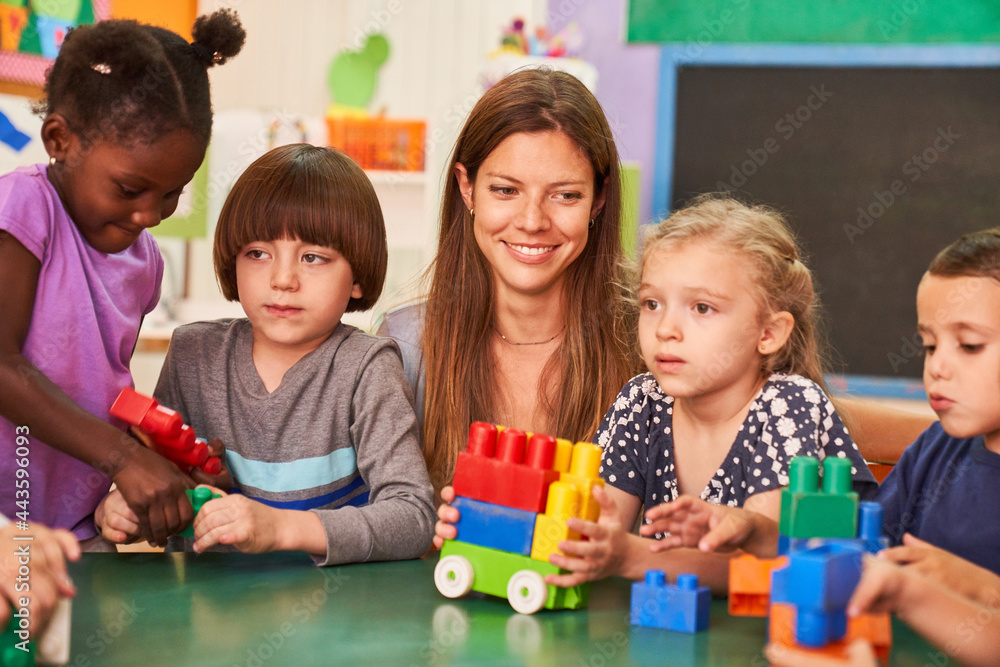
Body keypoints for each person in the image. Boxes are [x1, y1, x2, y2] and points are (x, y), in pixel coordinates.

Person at [95, 144, 435, 565]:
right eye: (258, 253)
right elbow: (171, 492)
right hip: (208, 615)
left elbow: (414, 517)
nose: (282, 279)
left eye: (313, 257)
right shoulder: (193, 355)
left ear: (357, 279)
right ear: (232, 261)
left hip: (336, 616)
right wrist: (128, 510)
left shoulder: (367, 367)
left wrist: (281, 528)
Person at [542, 195, 878, 591]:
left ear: (768, 334)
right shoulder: (642, 400)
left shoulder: (788, 405)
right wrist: (490, 524)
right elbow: (591, 528)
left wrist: (630, 557)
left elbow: (761, 566)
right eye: (652, 303)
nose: (666, 328)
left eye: (701, 308)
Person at [0, 11, 246, 549]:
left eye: (171, 193)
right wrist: (125, 459)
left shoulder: (144, 262)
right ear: (59, 140)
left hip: (76, 530)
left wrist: (169, 458)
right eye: (130, 189)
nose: (150, 214)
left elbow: (99, 391)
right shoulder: (22, 207)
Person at [378, 68, 640, 496]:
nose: (533, 221)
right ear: (467, 188)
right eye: (505, 190)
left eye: (566, 195)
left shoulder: (650, 344)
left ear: (600, 198)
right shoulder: (405, 345)